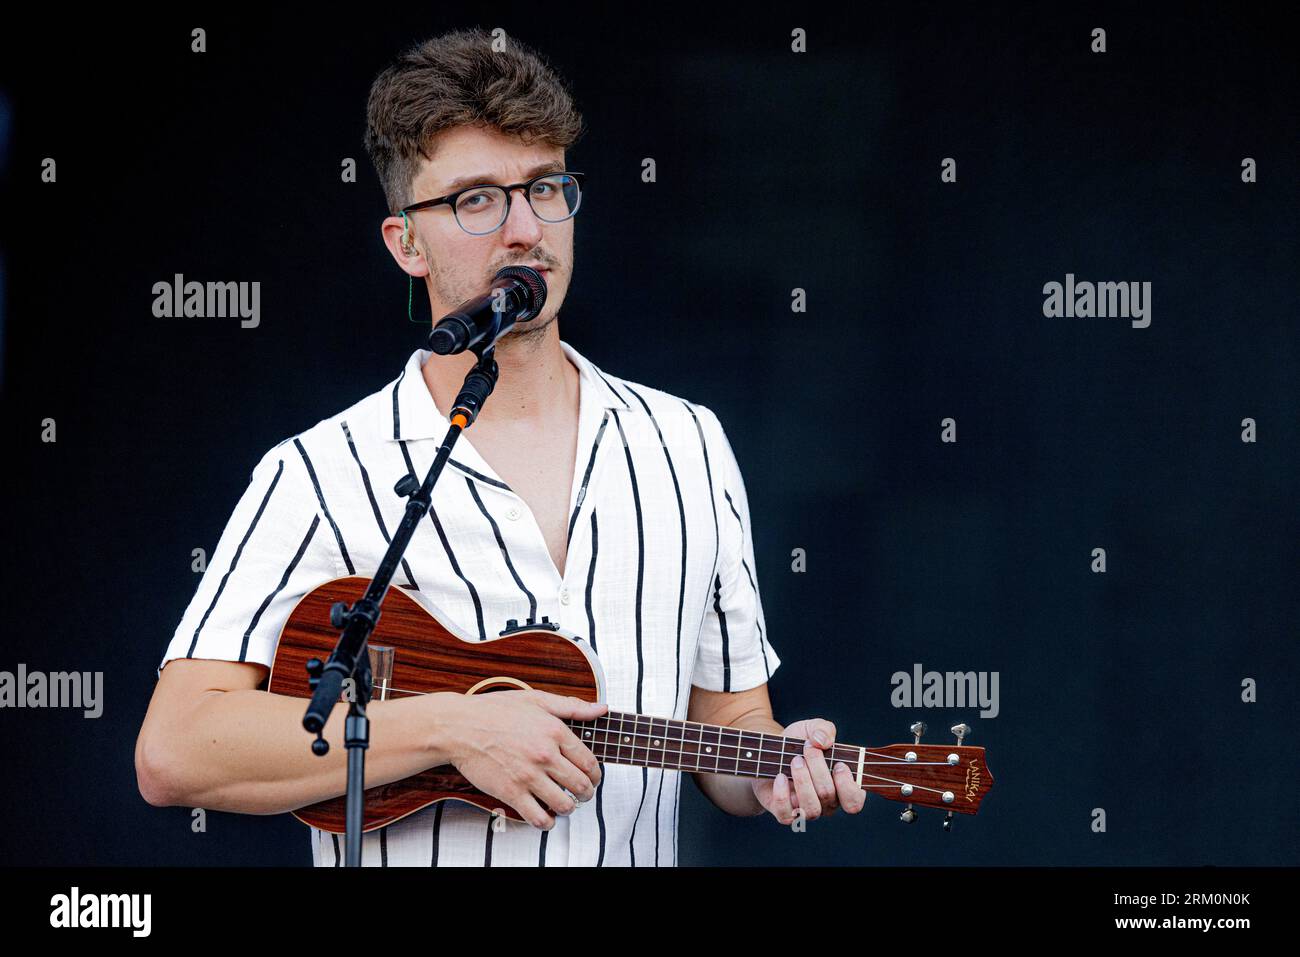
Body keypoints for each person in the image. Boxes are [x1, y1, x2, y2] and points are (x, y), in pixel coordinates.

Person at [134, 27, 866, 866]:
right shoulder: (320, 471)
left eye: (545, 188)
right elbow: (174, 748)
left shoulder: (688, 443)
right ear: (406, 241)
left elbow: (731, 723)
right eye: (476, 198)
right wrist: (453, 724)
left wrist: (775, 768)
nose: (525, 229)